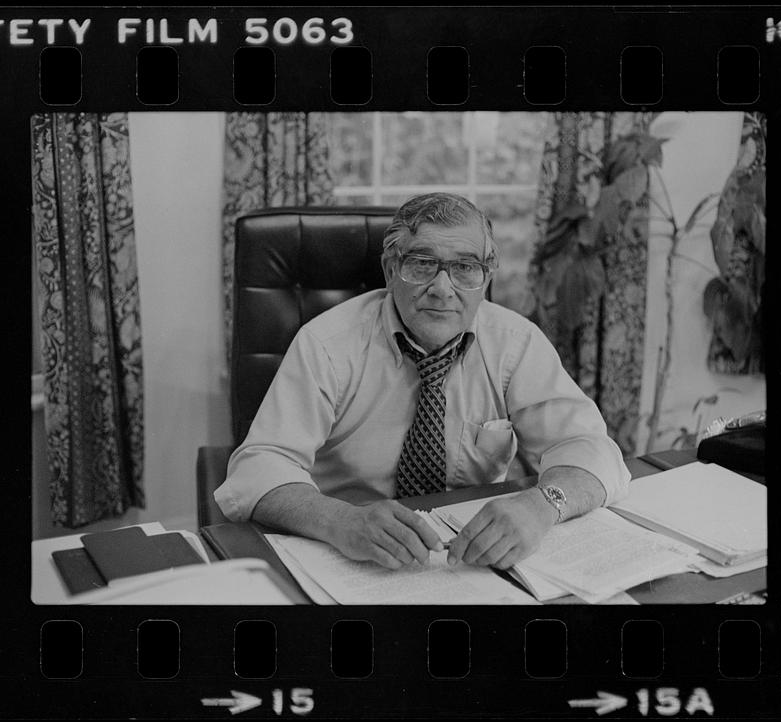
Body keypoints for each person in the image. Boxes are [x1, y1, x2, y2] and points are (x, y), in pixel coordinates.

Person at [215, 193, 630, 571]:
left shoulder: (515, 344)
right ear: (391, 269)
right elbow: (260, 466)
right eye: (422, 264)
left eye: (465, 268)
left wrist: (541, 505)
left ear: (486, 276)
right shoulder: (327, 345)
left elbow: (591, 449)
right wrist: (339, 520)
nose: (442, 289)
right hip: (348, 552)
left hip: (470, 557)